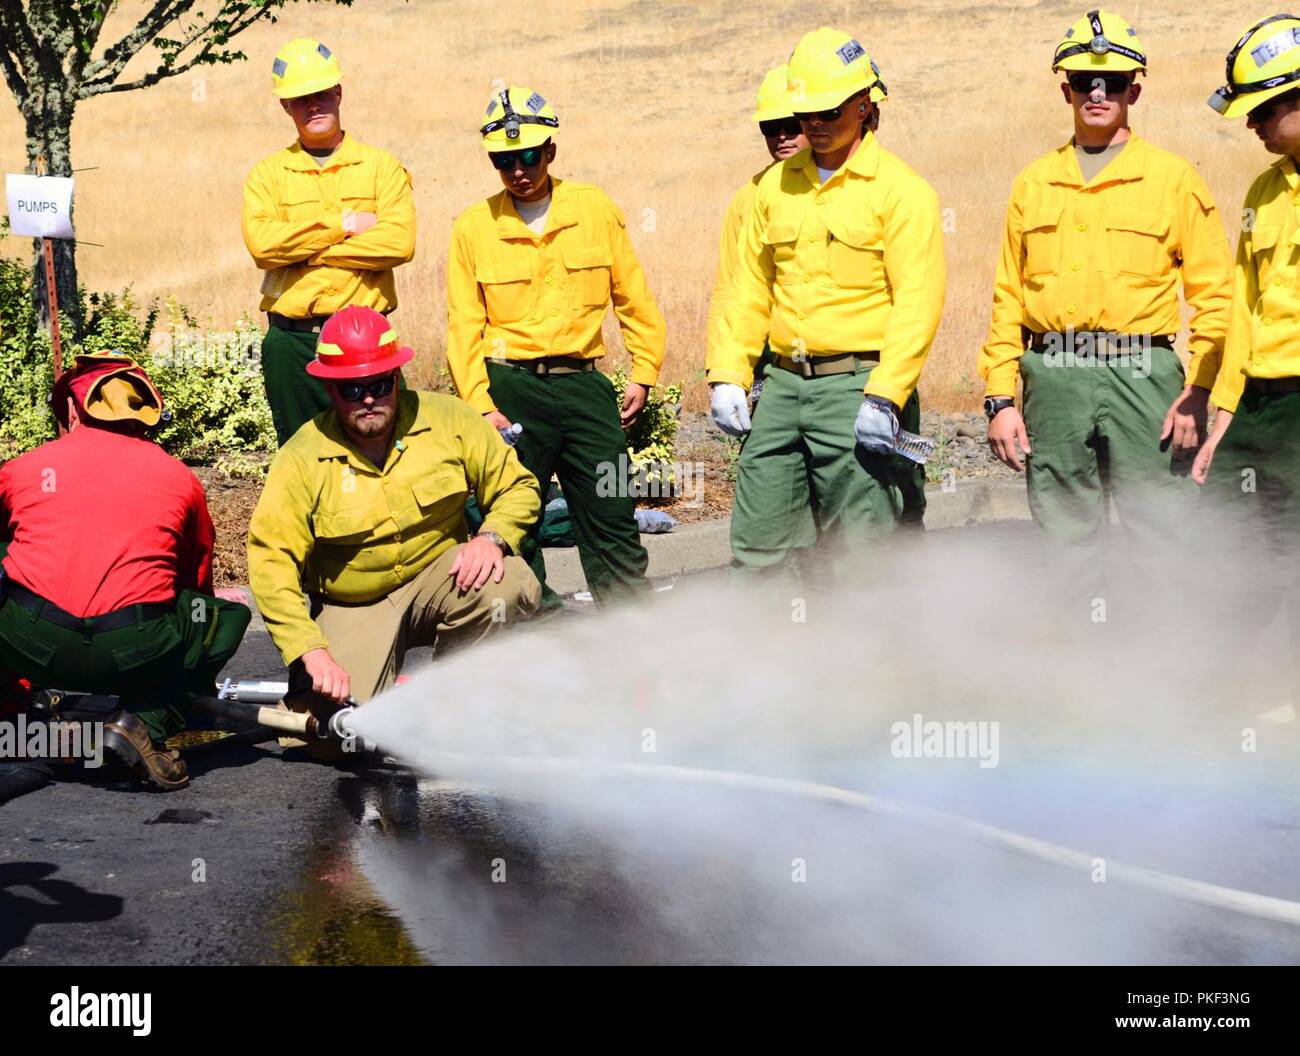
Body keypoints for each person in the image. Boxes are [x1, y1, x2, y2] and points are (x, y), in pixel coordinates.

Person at [979, 10, 1232, 564]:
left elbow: (1216, 297)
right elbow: (1008, 300)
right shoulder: (1034, 182)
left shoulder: (1173, 179)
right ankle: (1079, 643)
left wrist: (1201, 391)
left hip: (1146, 375)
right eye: (1082, 82)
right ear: (1065, 90)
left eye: (1111, 82)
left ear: (1133, 92)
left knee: (1163, 525)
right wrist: (999, 397)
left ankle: (1162, 643)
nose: (1096, 92)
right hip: (1053, 377)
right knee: (1063, 531)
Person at [709, 27, 945, 571]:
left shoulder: (902, 191)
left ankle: (875, 655)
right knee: (759, 545)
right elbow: (748, 288)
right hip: (782, 387)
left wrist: (885, 396)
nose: (814, 125)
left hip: (856, 387)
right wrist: (729, 373)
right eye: (804, 113)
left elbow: (918, 301)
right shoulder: (772, 189)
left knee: (863, 551)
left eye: (829, 112)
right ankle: (767, 652)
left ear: (864, 105)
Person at [247, 306, 542, 715]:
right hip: (355, 603)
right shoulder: (301, 457)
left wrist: (492, 539)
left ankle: (460, 706)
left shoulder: (450, 419)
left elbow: (518, 485)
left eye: (380, 384)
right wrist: (310, 651)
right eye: (352, 390)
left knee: (504, 582)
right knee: (338, 730)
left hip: (442, 579)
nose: (368, 399)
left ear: (397, 378)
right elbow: (271, 560)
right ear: (330, 389)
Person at [446, 85, 667, 610]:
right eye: (503, 160)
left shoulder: (594, 208)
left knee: (612, 514)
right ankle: (538, 637)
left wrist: (644, 370)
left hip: (584, 389)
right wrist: (483, 407)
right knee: (514, 524)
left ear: (550, 150)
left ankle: (636, 637)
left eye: (527, 155)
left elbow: (633, 297)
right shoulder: (473, 228)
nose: (517, 169)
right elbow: (463, 327)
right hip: (510, 389)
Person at [0, 353, 251, 791]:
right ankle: (146, 723)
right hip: (134, 651)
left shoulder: (23, 469)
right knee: (219, 618)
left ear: (75, 410)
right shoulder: (179, 478)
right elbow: (195, 579)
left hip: (30, 645)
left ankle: (9, 714)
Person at [242, 37, 416, 446]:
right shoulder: (266, 175)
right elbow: (263, 248)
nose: (313, 105)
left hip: (368, 339)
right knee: (304, 457)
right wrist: (345, 223)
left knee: (391, 450)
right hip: (292, 343)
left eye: (321, 93)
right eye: (300, 98)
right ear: (285, 106)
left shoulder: (381, 167)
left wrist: (304, 250)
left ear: (338, 92)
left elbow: (398, 243)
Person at [704, 64, 809, 410]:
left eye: (792, 126)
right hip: (766, 359)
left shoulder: (842, 188)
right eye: (770, 128)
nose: (782, 136)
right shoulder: (747, 197)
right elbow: (728, 287)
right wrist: (720, 369)